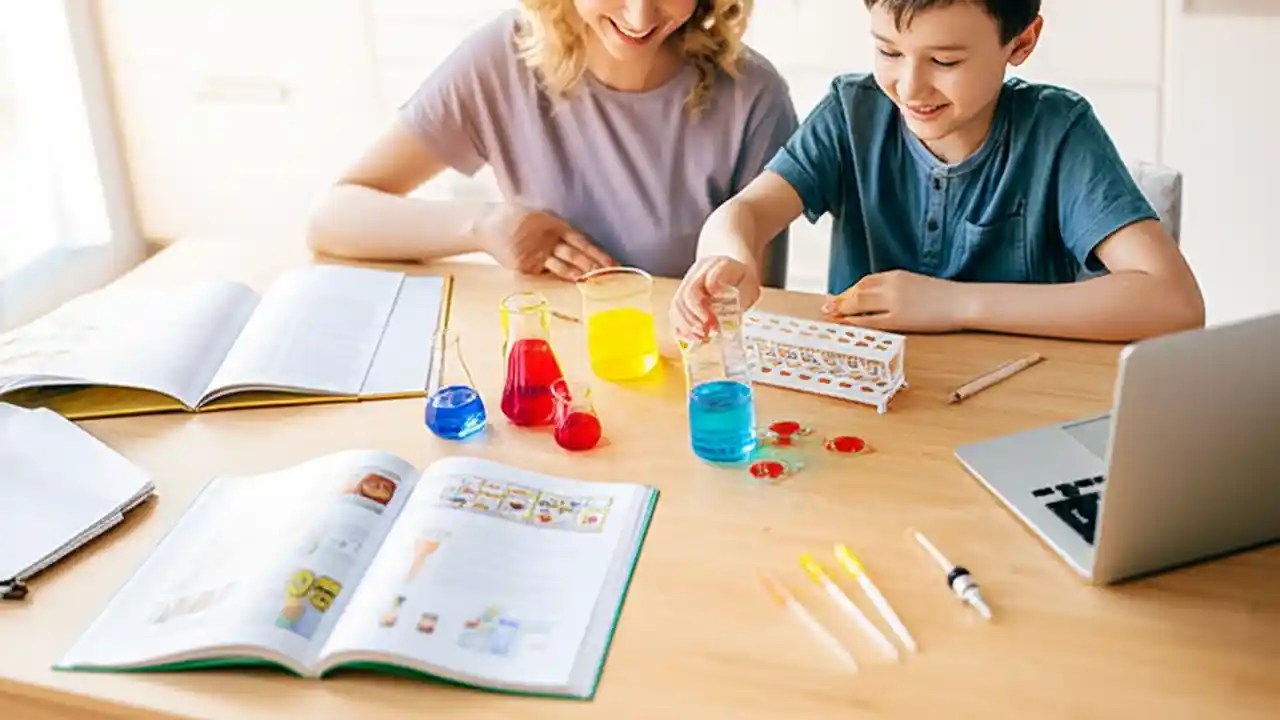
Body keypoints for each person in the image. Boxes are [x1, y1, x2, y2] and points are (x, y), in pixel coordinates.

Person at [670, 0, 1205, 343]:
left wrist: (951, 302)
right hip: (872, 409)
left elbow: (1173, 303)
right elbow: (747, 211)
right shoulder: (852, 112)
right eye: (888, 51)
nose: (909, 86)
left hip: (1015, 410)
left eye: (945, 62)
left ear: (1020, 42)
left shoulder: (1059, 132)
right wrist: (728, 258)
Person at [307, 0, 798, 285]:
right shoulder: (504, 58)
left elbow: (756, 308)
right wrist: (481, 227)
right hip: (542, 379)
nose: (639, 14)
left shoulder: (754, 99)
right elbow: (333, 218)